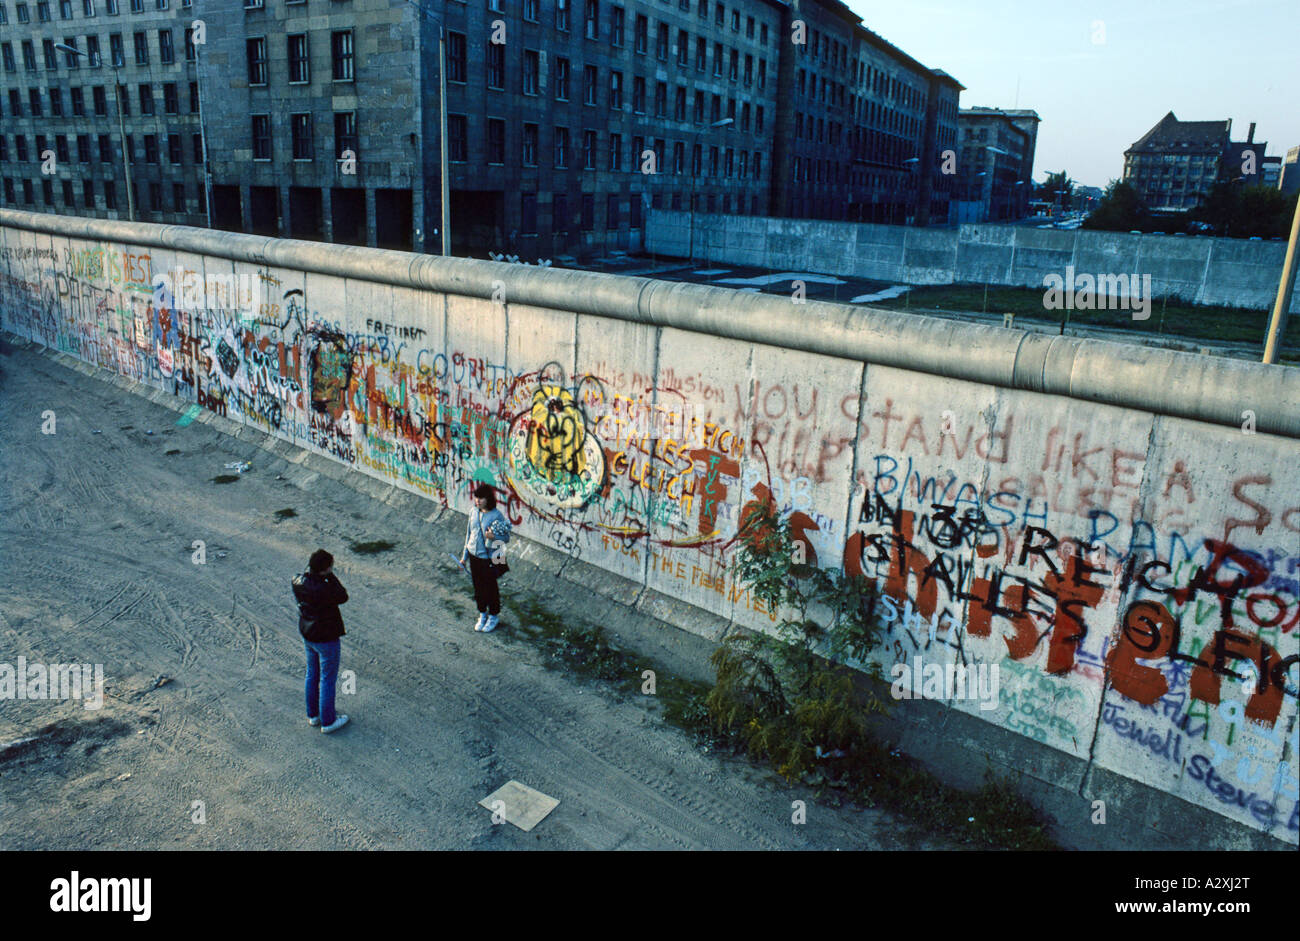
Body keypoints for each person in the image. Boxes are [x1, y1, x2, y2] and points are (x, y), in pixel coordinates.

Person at [292, 549, 350, 733]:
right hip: (326, 637)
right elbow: (343, 596)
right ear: (325, 569)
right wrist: (331, 576)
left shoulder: (297, 581)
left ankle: (313, 715)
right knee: (327, 679)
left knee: (312, 674)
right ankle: (328, 721)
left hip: (308, 633)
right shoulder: (325, 589)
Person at [461, 483, 512, 633]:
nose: (477, 501)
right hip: (473, 556)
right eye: (476, 498)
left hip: (487, 559)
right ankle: (482, 613)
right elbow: (469, 534)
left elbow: (506, 538)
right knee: (478, 588)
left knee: (490, 588)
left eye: (481, 498)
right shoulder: (473, 512)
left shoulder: (496, 515)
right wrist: (464, 557)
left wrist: (493, 536)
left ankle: (493, 616)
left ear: (488, 499)